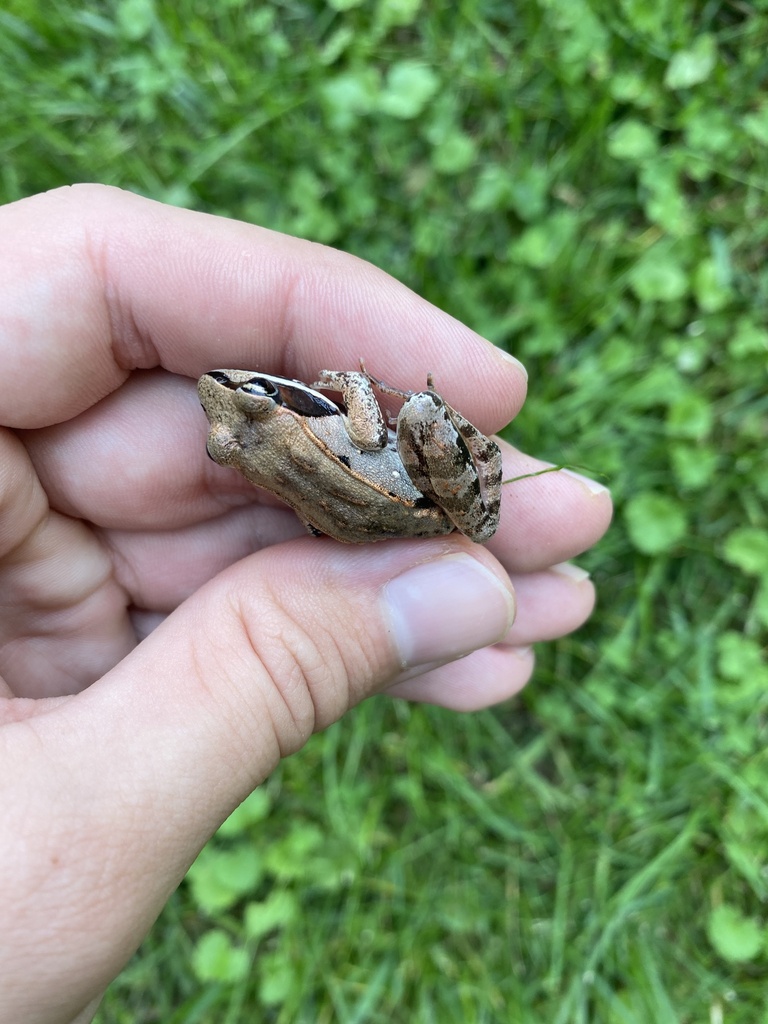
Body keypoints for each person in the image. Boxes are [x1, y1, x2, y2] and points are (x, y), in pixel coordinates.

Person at [0, 185, 612, 1024]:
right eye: (235, 426)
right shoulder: (297, 425)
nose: (230, 406)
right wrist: (358, 386)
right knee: (427, 409)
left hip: (369, 516)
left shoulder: (263, 452)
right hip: (392, 493)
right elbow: (367, 422)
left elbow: (322, 464)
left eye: (246, 408)